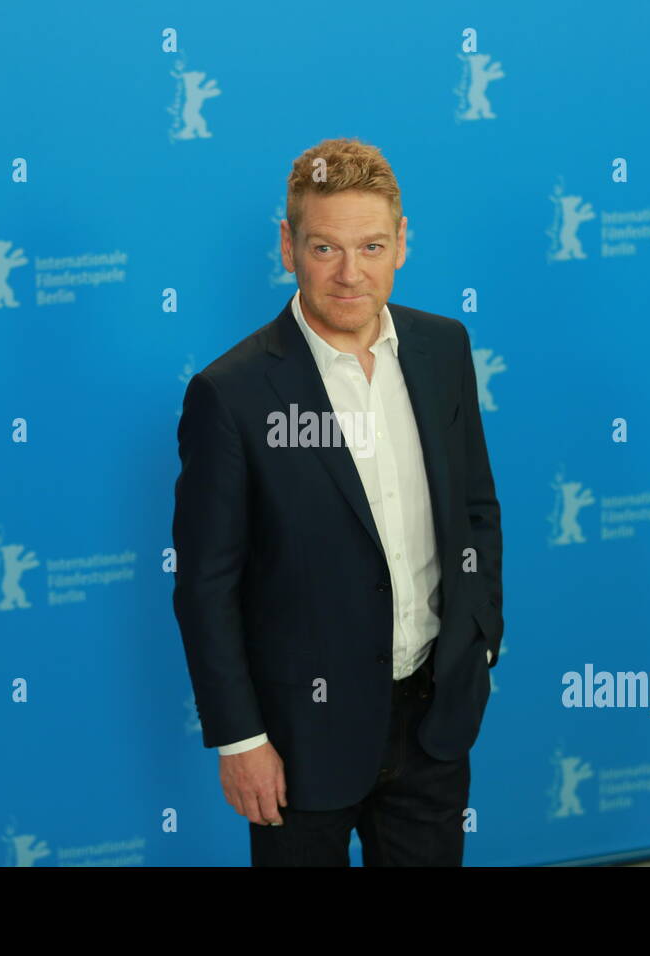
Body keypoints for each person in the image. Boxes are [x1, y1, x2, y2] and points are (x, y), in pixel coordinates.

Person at [172, 137, 503, 866]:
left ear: (402, 243)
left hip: (432, 725)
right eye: (325, 248)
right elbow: (206, 587)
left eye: (372, 246)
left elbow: (475, 507)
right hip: (297, 745)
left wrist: (480, 635)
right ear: (288, 245)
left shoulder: (444, 349)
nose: (351, 274)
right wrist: (242, 741)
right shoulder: (230, 395)